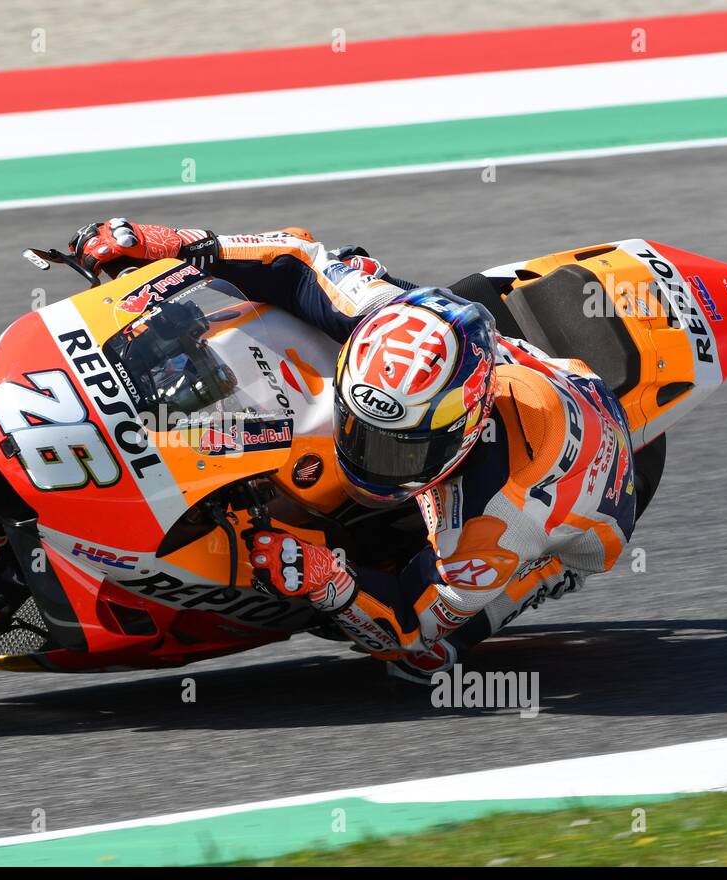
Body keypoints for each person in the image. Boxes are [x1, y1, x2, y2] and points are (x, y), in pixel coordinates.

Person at [69, 218, 638, 683]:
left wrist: (330, 583)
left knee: (425, 665)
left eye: (396, 451)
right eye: (361, 432)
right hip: (496, 372)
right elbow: (295, 257)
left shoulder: (500, 518)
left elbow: (413, 627)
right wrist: (177, 245)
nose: (368, 460)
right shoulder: (382, 316)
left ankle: (548, 571)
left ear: (459, 432)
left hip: (577, 497)